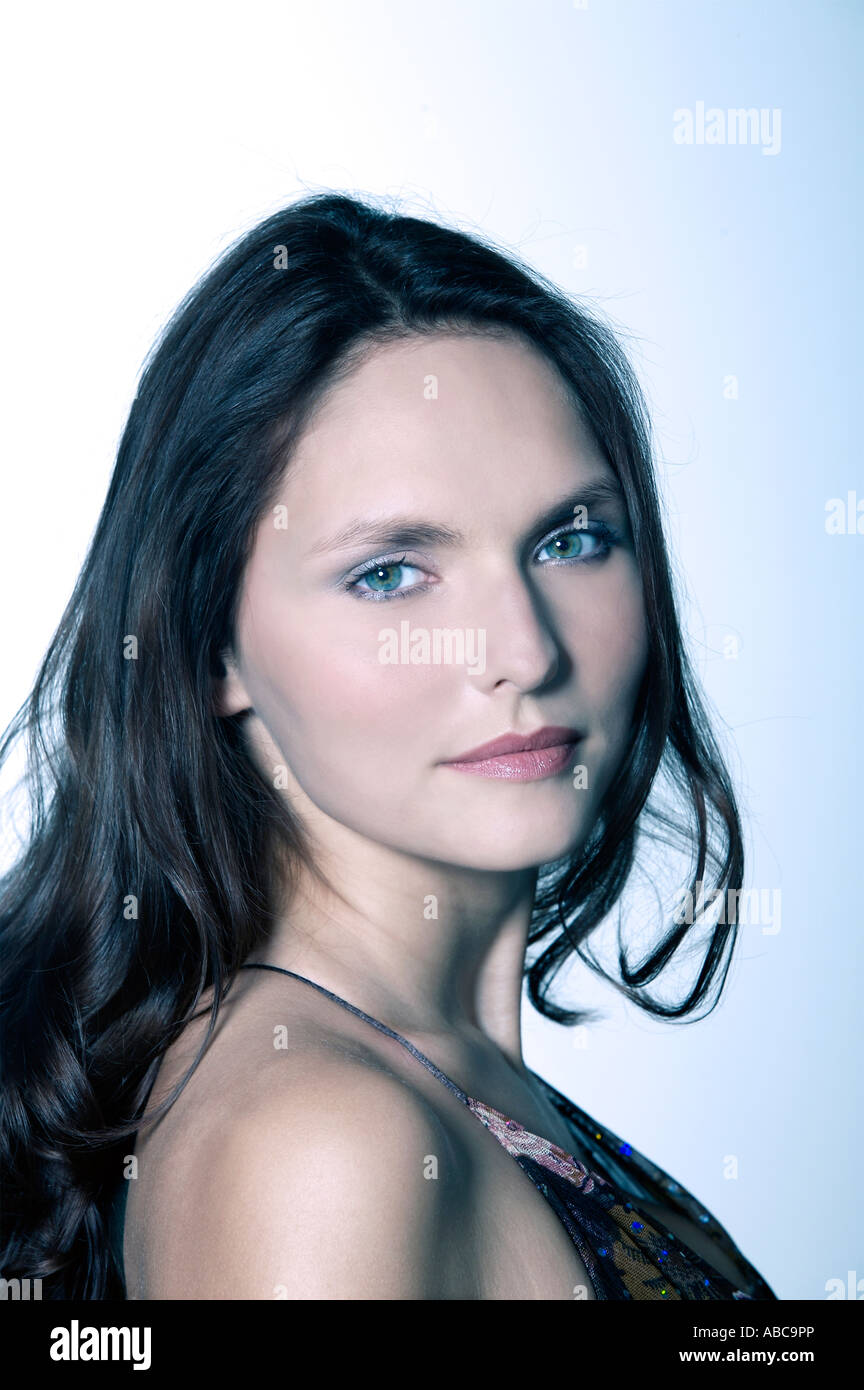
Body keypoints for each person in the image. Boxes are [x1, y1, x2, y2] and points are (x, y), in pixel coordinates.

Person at [0, 192, 776, 1301]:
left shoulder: (433, 1081)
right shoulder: (320, 1143)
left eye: (571, 539)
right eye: (392, 573)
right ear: (211, 644)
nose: (521, 649)